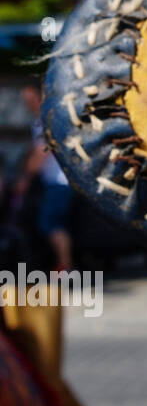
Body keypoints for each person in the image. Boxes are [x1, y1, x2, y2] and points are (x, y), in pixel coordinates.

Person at [19, 84, 73, 273]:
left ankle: (65, 267)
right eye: (25, 101)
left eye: (31, 99)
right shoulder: (40, 120)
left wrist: (25, 179)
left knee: (50, 223)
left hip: (60, 181)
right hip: (52, 181)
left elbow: (42, 152)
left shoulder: (46, 119)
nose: (28, 104)